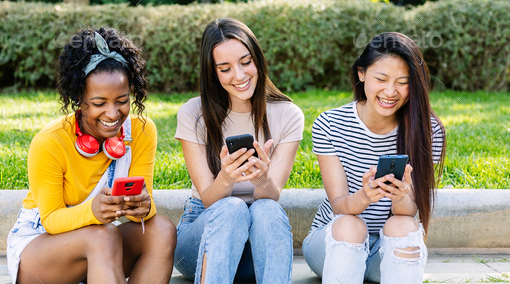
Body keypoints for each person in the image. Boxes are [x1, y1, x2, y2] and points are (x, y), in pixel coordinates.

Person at [6, 28, 176, 284]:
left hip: (102, 245)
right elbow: (51, 219)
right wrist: (93, 212)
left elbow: (141, 208)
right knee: (103, 235)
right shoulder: (50, 141)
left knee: (161, 229)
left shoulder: (141, 131)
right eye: (99, 103)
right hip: (41, 246)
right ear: (79, 98)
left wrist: (142, 206)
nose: (113, 113)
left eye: (122, 100)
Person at [302, 32, 446, 284]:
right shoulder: (330, 124)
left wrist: (401, 196)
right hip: (332, 244)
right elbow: (339, 205)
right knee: (351, 225)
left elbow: (410, 211)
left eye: (403, 82)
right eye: (381, 79)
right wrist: (365, 196)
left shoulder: (428, 130)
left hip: (385, 250)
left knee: (403, 225)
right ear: (361, 74)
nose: (390, 92)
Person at [173, 18, 305, 283]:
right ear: (213, 73)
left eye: (246, 62)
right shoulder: (193, 113)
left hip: (257, 247)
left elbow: (272, 195)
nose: (240, 75)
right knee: (231, 208)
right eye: (225, 68)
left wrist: (262, 179)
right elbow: (210, 200)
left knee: (266, 209)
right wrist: (227, 178)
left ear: (258, 60)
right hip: (202, 240)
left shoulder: (288, 115)